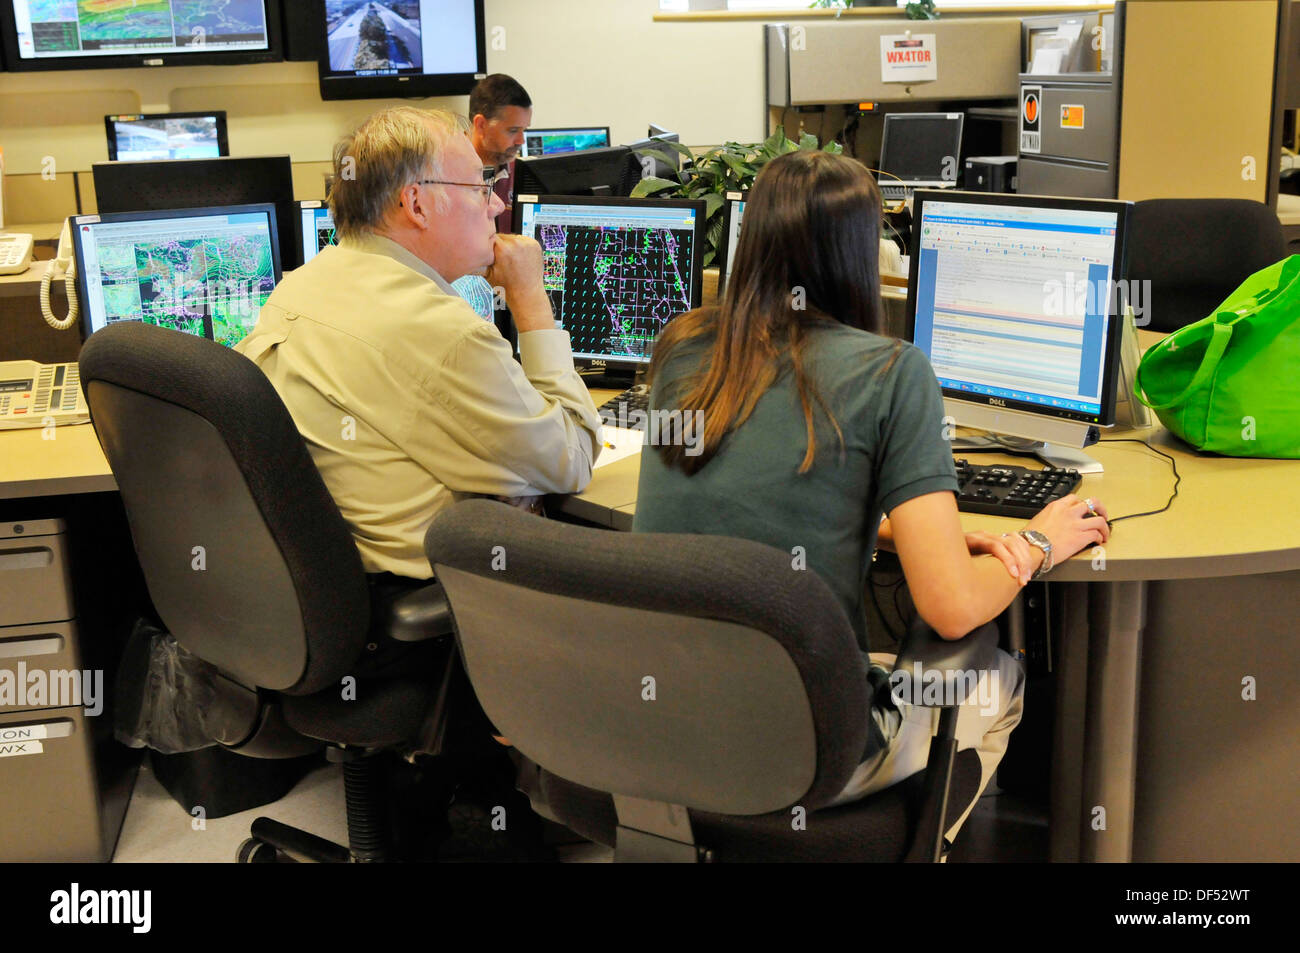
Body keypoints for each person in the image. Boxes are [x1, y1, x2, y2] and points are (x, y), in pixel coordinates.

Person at [632, 150, 1111, 843]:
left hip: (661, 729)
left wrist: (911, 534)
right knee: (997, 678)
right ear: (859, 251)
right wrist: (1038, 542)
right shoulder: (892, 373)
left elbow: (747, 507)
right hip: (807, 754)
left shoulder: (681, 348)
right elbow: (948, 610)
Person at [237, 106, 600, 674]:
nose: (499, 204)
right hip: (433, 619)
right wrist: (530, 299)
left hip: (336, 602)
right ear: (417, 204)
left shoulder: (301, 286)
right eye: (481, 186)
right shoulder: (440, 331)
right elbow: (572, 457)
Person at [468, 74, 533, 233]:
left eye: (524, 130)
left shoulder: (523, 175)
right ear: (481, 125)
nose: (521, 141)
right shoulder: (446, 174)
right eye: (513, 131)